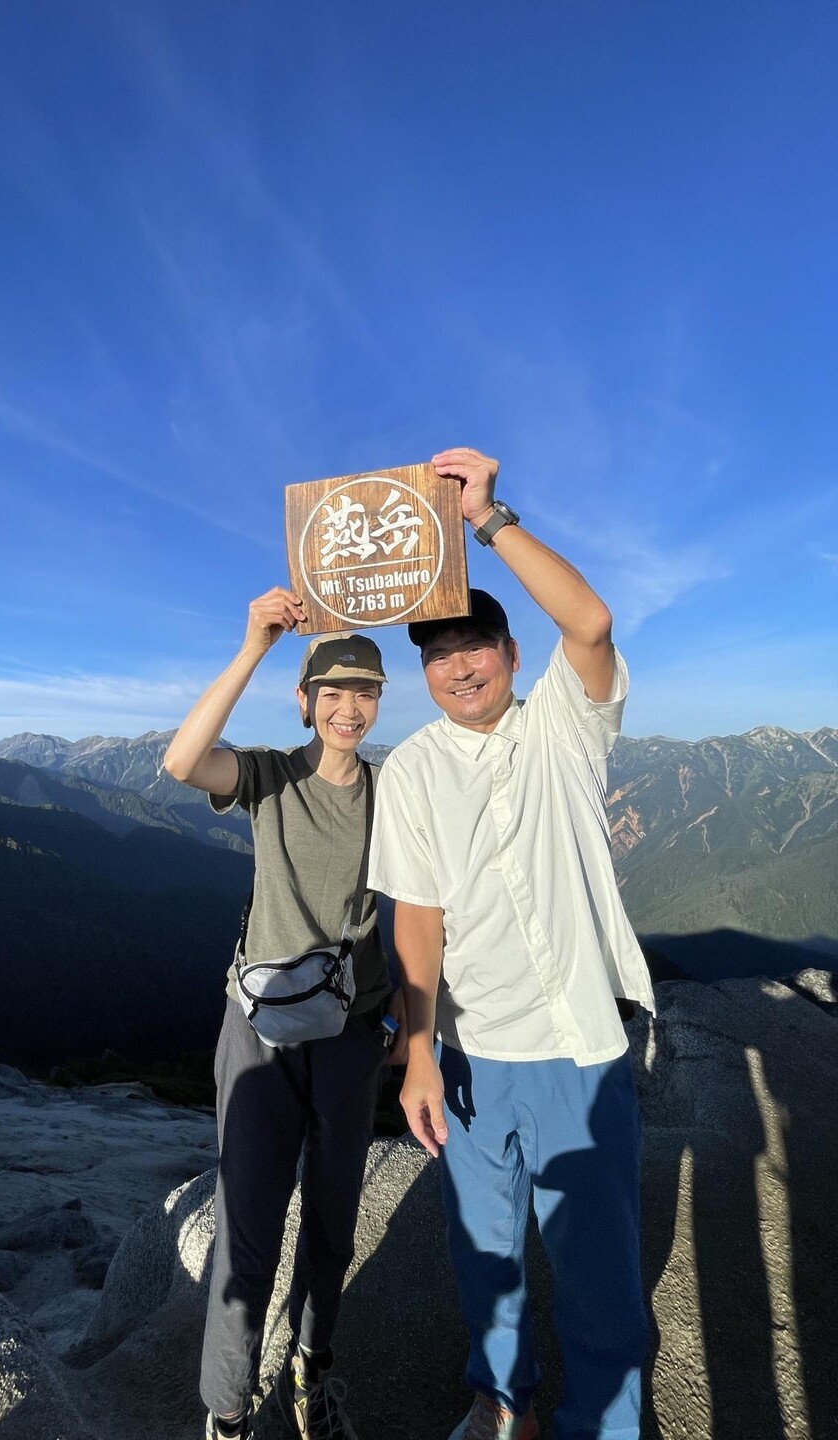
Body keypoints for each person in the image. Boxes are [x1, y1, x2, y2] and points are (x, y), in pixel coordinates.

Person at [368, 448, 655, 1440]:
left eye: (476, 645)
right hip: (470, 1054)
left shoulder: (566, 730)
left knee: (600, 1266)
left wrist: (489, 520)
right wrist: (415, 1053)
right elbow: (416, 916)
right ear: (425, 671)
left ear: (510, 654)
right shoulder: (408, 770)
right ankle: (504, 1404)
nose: (458, 665)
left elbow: (592, 622)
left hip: (579, 1044)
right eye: (438, 654)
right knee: (484, 1252)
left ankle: (605, 1422)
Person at [163, 586, 405, 1440]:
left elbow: (416, 911)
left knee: (333, 1219)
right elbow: (184, 762)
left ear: (380, 700)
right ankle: (227, 1410)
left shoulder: (396, 790)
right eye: (331, 692)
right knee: (249, 1224)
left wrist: (412, 1026)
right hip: (260, 1031)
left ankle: (311, 1364)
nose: (348, 708)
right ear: (305, 702)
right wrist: (253, 644)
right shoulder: (268, 774)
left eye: (364, 691)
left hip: (350, 1034)